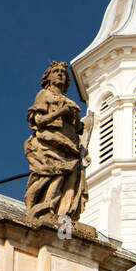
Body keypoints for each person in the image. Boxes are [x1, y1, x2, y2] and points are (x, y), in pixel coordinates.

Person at [24, 61, 89, 225]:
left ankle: (63, 215)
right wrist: (61, 112)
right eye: (56, 71)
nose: (60, 73)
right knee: (51, 176)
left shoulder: (70, 102)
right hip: (49, 144)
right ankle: (44, 210)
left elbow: (79, 129)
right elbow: (37, 121)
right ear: (48, 78)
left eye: (63, 72)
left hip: (70, 148)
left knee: (69, 181)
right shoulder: (44, 95)